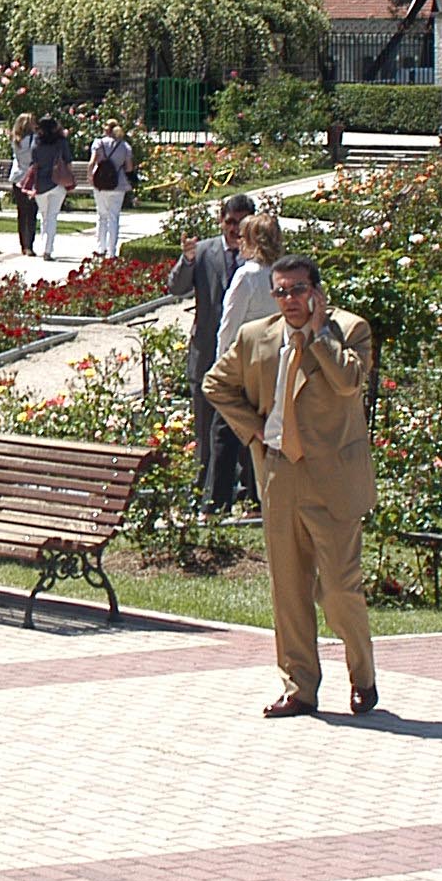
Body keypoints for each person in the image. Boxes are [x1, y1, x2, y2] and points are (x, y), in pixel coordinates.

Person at [203, 252, 381, 719]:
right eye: (280, 291)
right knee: (289, 589)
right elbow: (215, 385)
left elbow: (348, 384)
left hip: (334, 482)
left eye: (297, 290)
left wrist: (319, 336)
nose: (288, 300)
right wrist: (255, 430)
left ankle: (362, 675)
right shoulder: (256, 337)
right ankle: (300, 687)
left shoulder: (350, 330)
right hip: (280, 475)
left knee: (340, 589)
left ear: (317, 292)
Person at [174, 192, 256, 514]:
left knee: (247, 429)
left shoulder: (259, 257)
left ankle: (249, 492)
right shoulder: (204, 251)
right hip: (206, 353)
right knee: (206, 431)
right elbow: (175, 287)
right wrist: (187, 260)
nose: (235, 229)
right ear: (221, 221)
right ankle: (202, 494)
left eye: (241, 222)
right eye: (229, 221)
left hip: (247, 361)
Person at [202, 208, 282, 514]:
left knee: (224, 433)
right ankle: (255, 498)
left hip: (242, 364)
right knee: (262, 431)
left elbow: (229, 326)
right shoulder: (280, 271)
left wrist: (220, 369)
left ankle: (216, 503)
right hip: (272, 363)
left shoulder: (247, 275)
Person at [88, 120, 138, 258]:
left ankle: (100, 247)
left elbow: (92, 162)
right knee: (113, 217)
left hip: (100, 183)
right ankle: (112, 251)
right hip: (118, 183)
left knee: (101, 216)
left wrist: (90, 177)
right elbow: (129, 168)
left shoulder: (98, 143)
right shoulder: (125, 146)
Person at [25, 114, 72, 260]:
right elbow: (68, 161)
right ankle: (48, 249)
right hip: (57, 182)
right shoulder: (61, 142)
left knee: (44, 216)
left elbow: (33, 160)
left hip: (40, 183)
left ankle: (44, 245)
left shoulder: (37, 142)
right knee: (52, 216)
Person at [8, 113, 39, 255]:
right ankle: (29, 245)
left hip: (17, 178)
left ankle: (23, 244)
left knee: (21, 212)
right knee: (32, 212)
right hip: (31, 178)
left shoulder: (16, 141)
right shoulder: (34, 140)